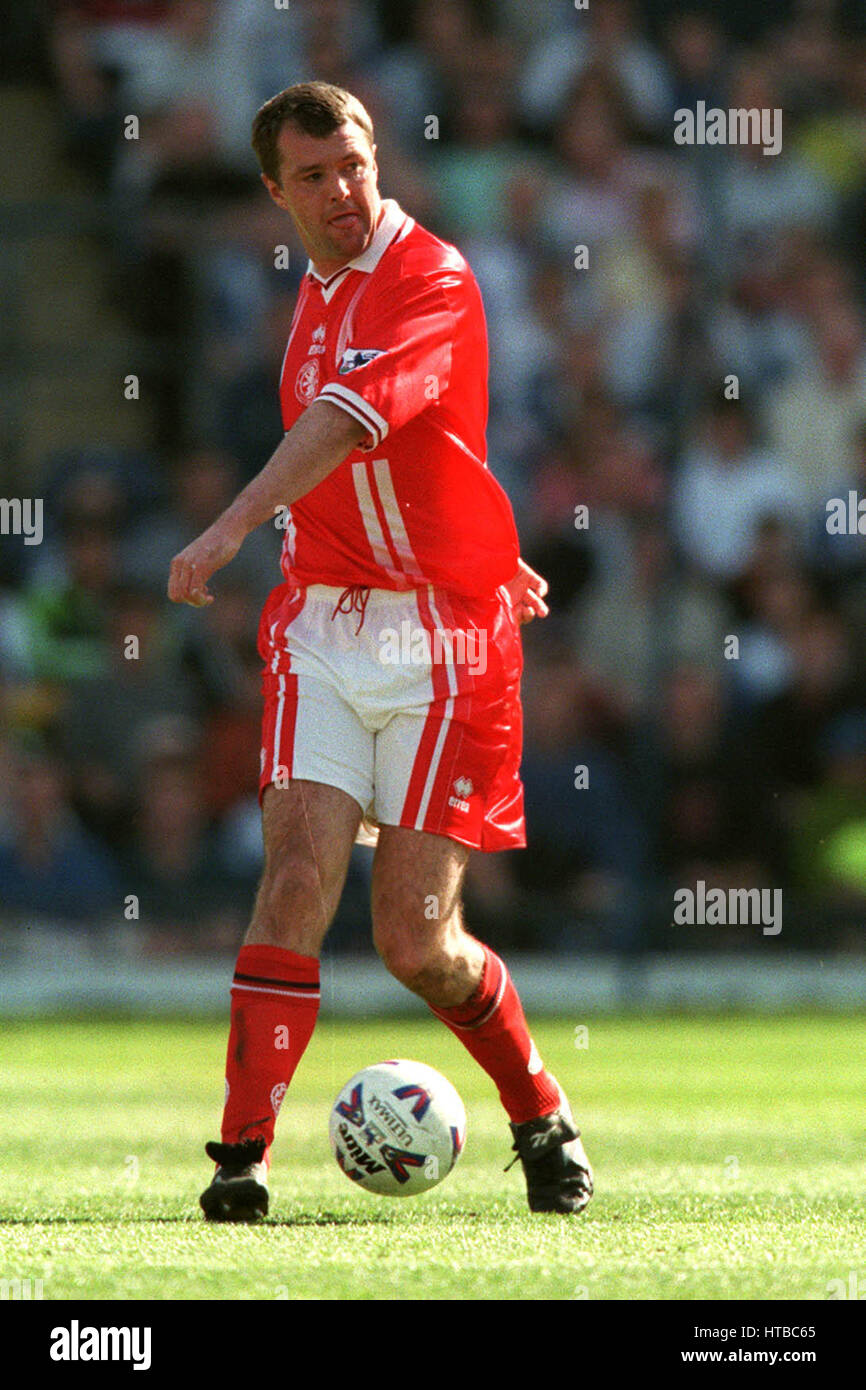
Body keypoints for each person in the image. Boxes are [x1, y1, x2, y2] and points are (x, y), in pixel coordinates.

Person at [167, 81, 593, 1221]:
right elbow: (403, 460)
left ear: (375, 156)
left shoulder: (430, 274)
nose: (341, 189)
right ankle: (240, 1154)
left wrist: (228, 521)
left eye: (352, 162)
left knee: (413, 939)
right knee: (294, 879)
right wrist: (476, 535)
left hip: (443, 642)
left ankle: (538, 1108)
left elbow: (358, 421)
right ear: (276, 192)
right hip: (322, 622)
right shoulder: (311, 301)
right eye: (312, 176)